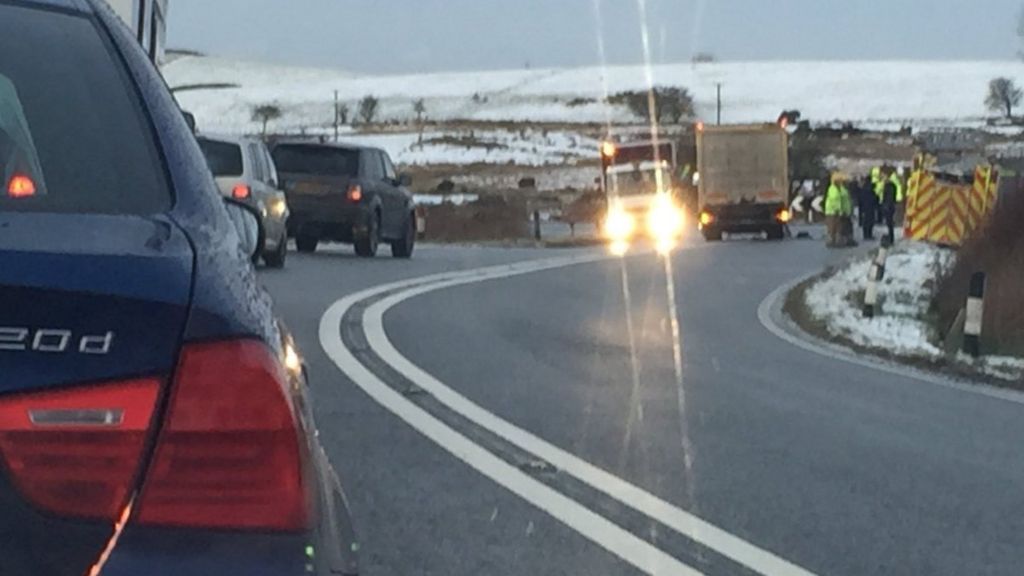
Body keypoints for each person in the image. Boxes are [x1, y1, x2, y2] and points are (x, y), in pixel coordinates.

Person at [824, 172, 846, 247]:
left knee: (838, 227)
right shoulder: (833, 189)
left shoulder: (839, 189)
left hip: (836, 211)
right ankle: (831, 241)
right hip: (832, 211)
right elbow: (834, 200)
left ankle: (836, 241)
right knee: (832, 227)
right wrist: (837, 209)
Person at [880, 168, 899, 245]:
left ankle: (891, 239)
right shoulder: (888, 185)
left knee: (889, 223)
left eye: (883, 176)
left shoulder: (889, 186)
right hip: (888, 206)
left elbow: (889, 197)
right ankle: (890, 239)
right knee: (889, 223)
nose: (882, 178)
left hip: (889, 207)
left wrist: (886, 206)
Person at [856, 175, 877, 239]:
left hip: (864, 207)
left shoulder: (863, 188)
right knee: (870, 221)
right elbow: (874, 198)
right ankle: (869, 234)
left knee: (865, 221)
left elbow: (860, 198)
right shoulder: (871, 189)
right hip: (870, 207)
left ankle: (865, 235)